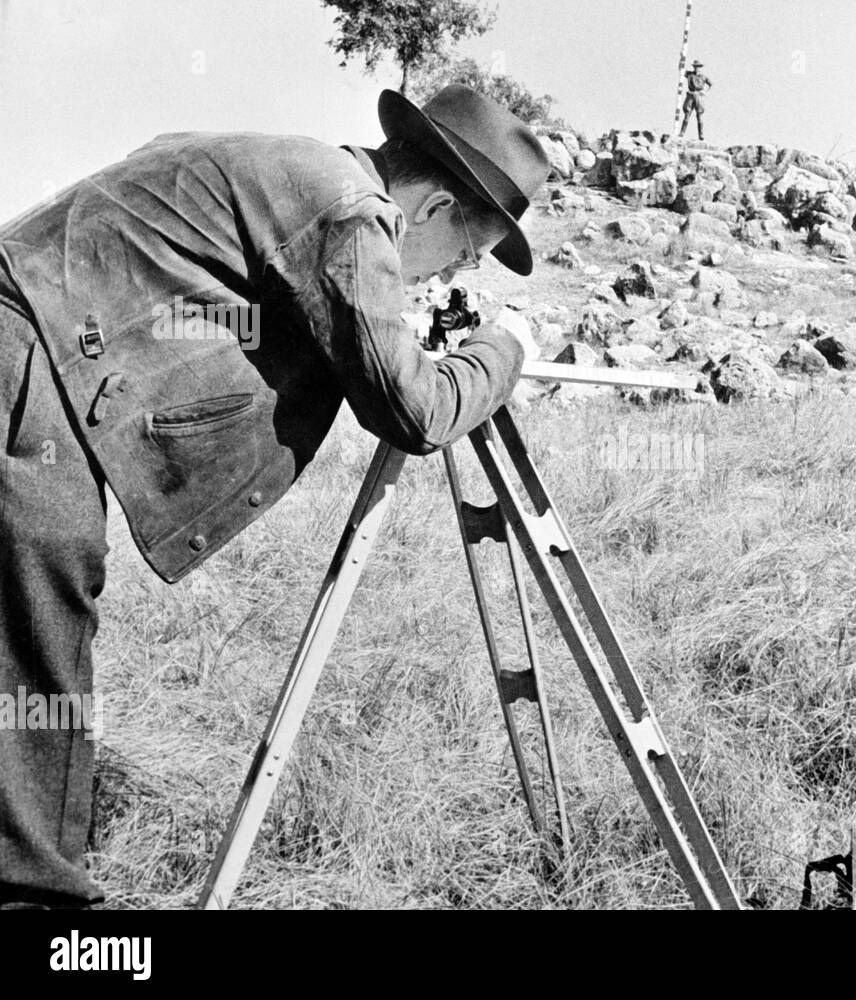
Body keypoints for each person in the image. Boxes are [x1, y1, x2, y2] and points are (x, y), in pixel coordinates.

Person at [0, 84, 549, 907]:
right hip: (25, 350)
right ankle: (35, 907)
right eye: (468, 252)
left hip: (31, 328)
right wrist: (503, 349)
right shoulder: (352, 216)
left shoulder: (303, 169)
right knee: (40, 621)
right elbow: (416, 412)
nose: (452, 271)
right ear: (435, 205)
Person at [679, 59, 712, 141]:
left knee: (699, 115)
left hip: (699, 96)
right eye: (695, 67)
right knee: (687, 114)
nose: (697, 68)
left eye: (698, 67)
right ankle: (682, 133)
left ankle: (701, 135)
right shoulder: (689, 74)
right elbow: (681, 69)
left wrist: (705, 92)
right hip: (690, 94)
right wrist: (681, 59)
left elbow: (710, 84)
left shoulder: (703, 77)